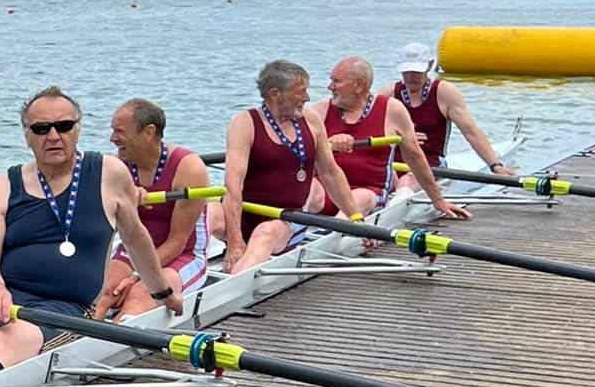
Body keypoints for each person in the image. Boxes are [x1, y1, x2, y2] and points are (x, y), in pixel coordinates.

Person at [0, 88, 183, 381]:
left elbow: (135, 238)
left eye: (63, 126)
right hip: (5, 296)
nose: (53, 136)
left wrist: (161, 292)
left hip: (66, 308)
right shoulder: (3, 185)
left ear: (77, 129)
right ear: (27, 137)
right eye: (41, 128)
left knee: (1, 341)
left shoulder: (109, 173)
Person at [216, 59, 377, 273]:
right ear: (275, 94)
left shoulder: (310, 119)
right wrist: (235, 240)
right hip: (245, 211)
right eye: (300, 92)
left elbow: (330, 172)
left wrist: (355, 219)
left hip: (285, 219)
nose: (307, 98)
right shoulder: (244, 123)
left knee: (265, 232)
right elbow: (232, 187)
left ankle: (228, 289)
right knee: (205, 213)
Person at [308, 56, 469, 221]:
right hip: (326, 189)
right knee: (308, 189)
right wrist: (327, 144)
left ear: (359, 85)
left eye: (336, 81)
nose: (330, 86)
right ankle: (289, 230)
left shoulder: (392, 110)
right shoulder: (320, 109)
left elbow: (414, 156)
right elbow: (298, 152)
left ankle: (340, 231)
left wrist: (438, 200)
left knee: (359, 197)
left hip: (368, 192)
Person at [92, 98, 210, 320]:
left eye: (119, 131)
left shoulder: (189, 168)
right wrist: (123, 197)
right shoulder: (117, 168)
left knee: (140, 293)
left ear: (148, 132)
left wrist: (138, 276)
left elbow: (178, 241)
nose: (112, 138)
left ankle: (115, 339)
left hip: (182, 255)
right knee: (102, 291)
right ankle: (73, 339)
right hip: (134, 251)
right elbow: (102, 228)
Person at [381, 41, 518, 183]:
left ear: (429, 65)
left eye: (416, 72)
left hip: (430, 161)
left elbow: (470, 131)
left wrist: (494, 165)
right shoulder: (388, 93)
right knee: (386, 180)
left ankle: (402, 193)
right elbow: (368, 129)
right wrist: (402, 138)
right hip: (393, 161)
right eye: (407, 71)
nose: (410, 77)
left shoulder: (445, 92)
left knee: (407, 182)